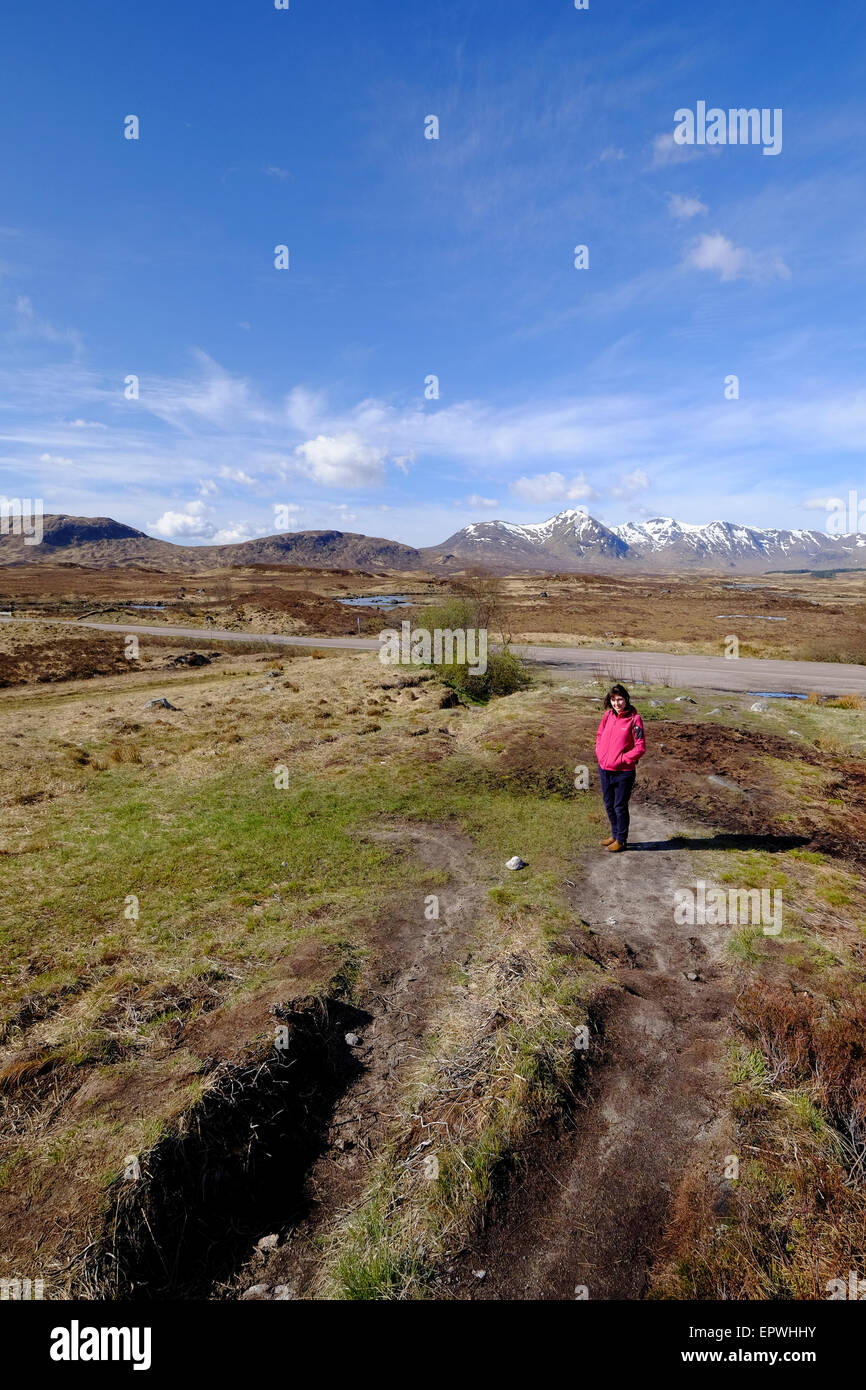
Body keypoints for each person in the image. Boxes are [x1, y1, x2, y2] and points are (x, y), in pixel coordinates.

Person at [595, 683, 646, 852]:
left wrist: (623, 758)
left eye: (620, 699)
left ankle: (622, 840)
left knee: (619, 806)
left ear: (626, 699)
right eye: (613, 700)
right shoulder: (608, 715)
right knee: (608, 804)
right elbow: (600, 735)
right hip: (605, 769)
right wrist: (600, 754)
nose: (617, 703)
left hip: (623, 772)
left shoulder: (634, 719)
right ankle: (615, 834)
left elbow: (640, 747)